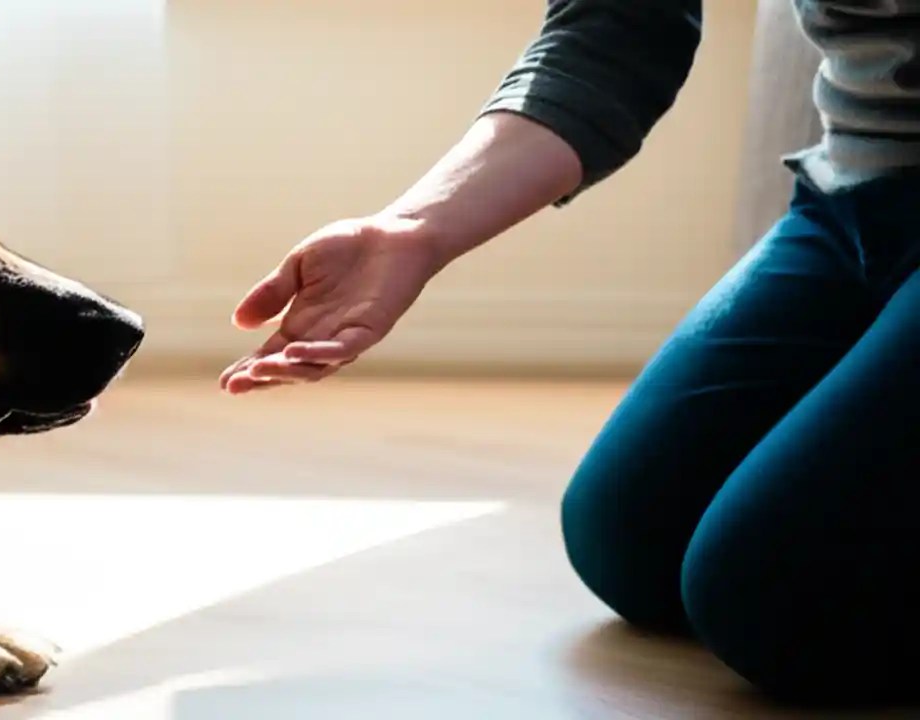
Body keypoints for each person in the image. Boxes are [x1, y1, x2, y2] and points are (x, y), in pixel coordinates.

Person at [219, 0, 920, 706]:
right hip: (852, 194)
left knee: (778, 603)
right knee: (629, 541)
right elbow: (618, 25)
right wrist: (412, 229)